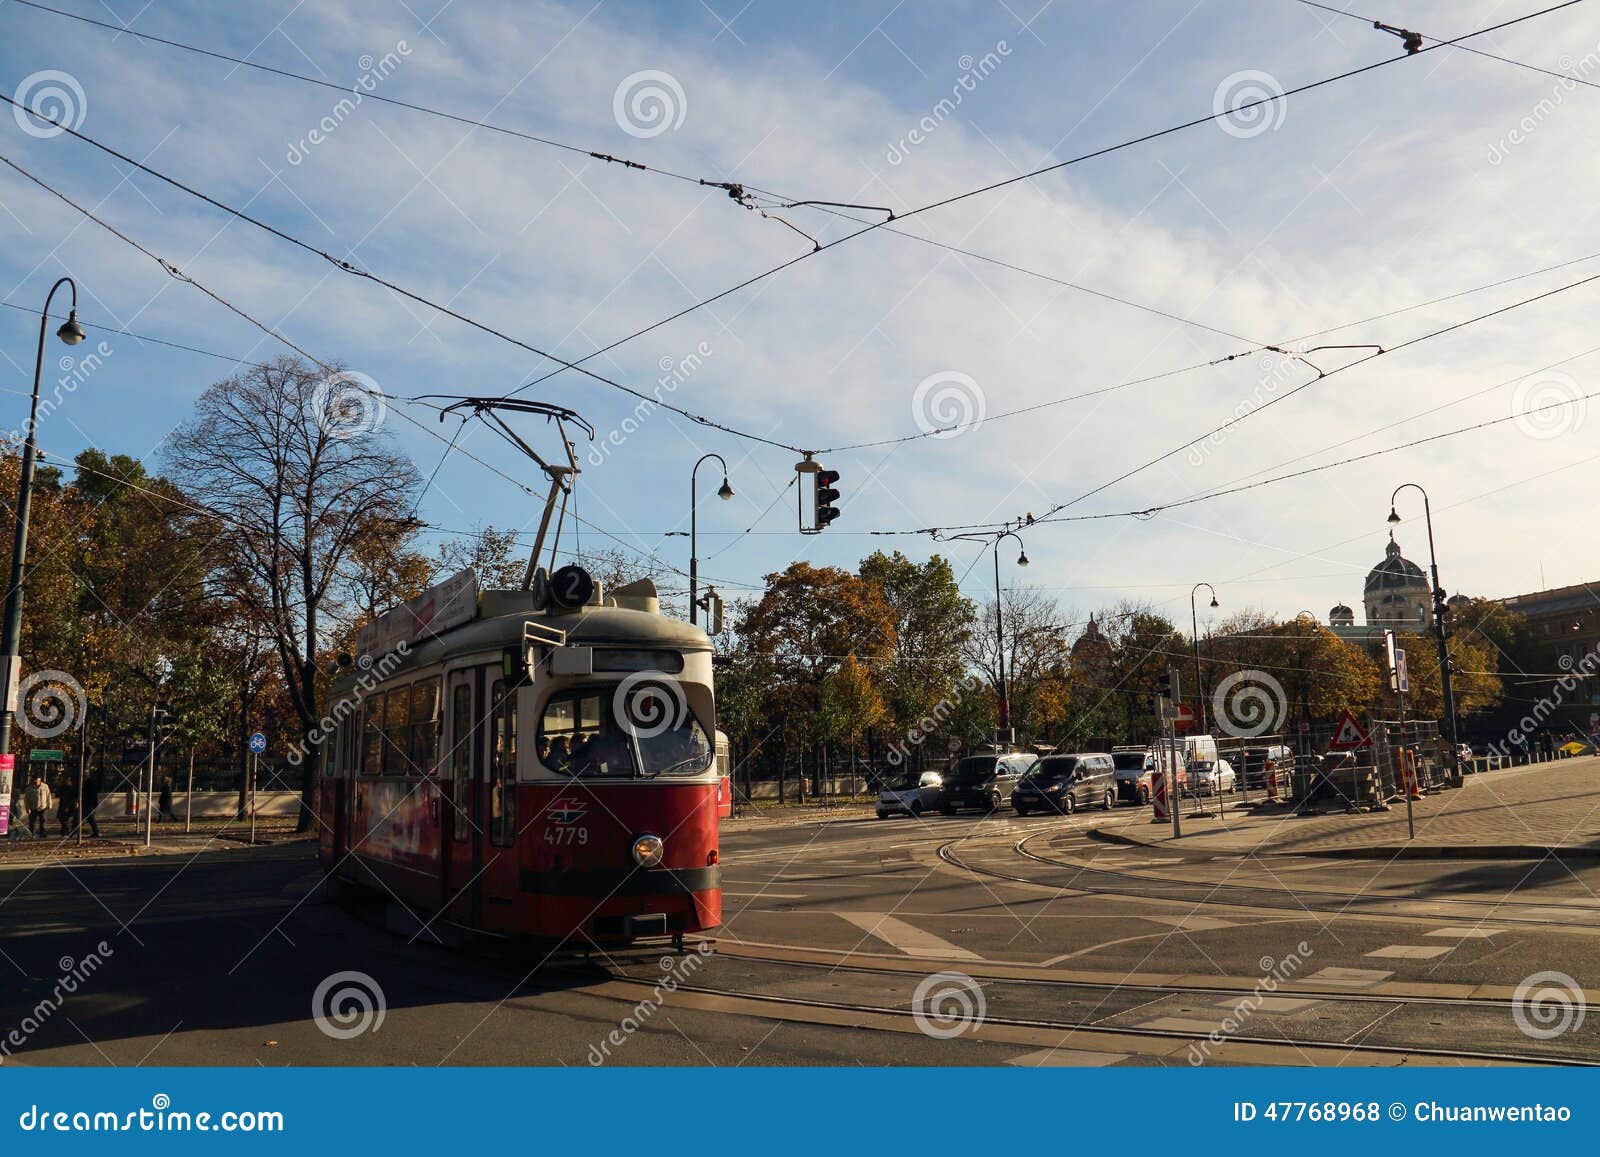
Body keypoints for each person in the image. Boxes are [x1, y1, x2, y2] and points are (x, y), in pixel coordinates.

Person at [25, 774, 52, 838]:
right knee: (32, 822)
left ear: (40, 779)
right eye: (35, 779)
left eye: (37, 779)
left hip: (42, 807)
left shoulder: (45, 786)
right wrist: (27, 808)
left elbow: (48, 795)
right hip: (33, 807)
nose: (36, 781)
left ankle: (42, 834)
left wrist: (49, 804)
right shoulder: (29, 788)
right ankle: (31, 834)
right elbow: (26, 799)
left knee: (43, 821)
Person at [80, 768, 101, 838]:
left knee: (90, 818)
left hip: (89, 803)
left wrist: (93, 804)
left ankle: (96, 832)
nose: (83, 776)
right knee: (89, 818)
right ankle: (96, 832)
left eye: (84, 775)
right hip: (87, 803)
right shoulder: (86, 782)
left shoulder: (90, 782)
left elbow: (92, 794)